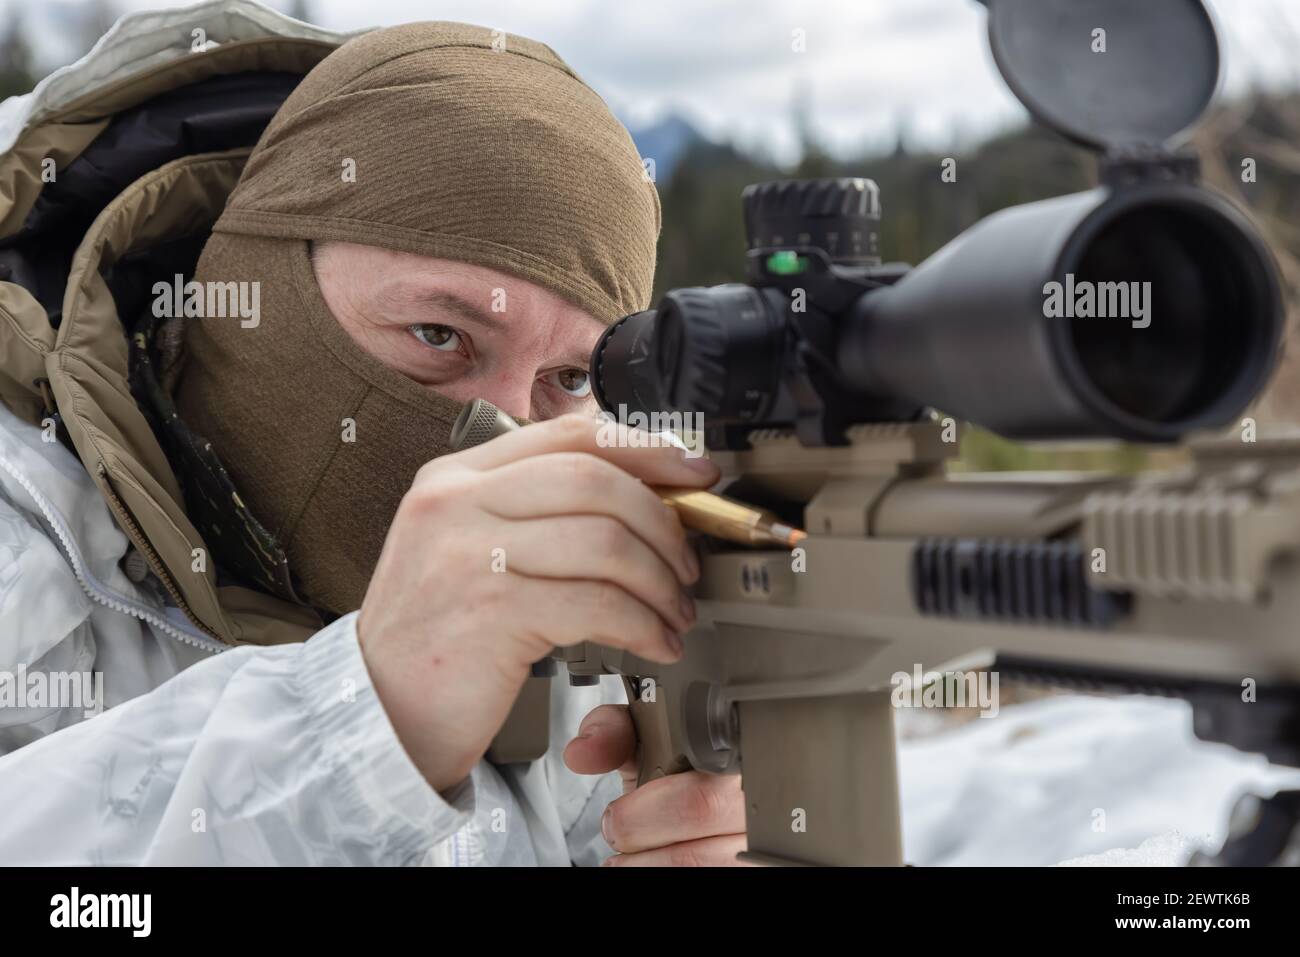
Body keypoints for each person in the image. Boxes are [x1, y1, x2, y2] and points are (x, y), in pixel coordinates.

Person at [0, 10, 747, 865]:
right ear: (253, 290)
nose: (502, 438)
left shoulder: (586, 670)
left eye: (569, 379)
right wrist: (363, 729)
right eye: (439, 334)